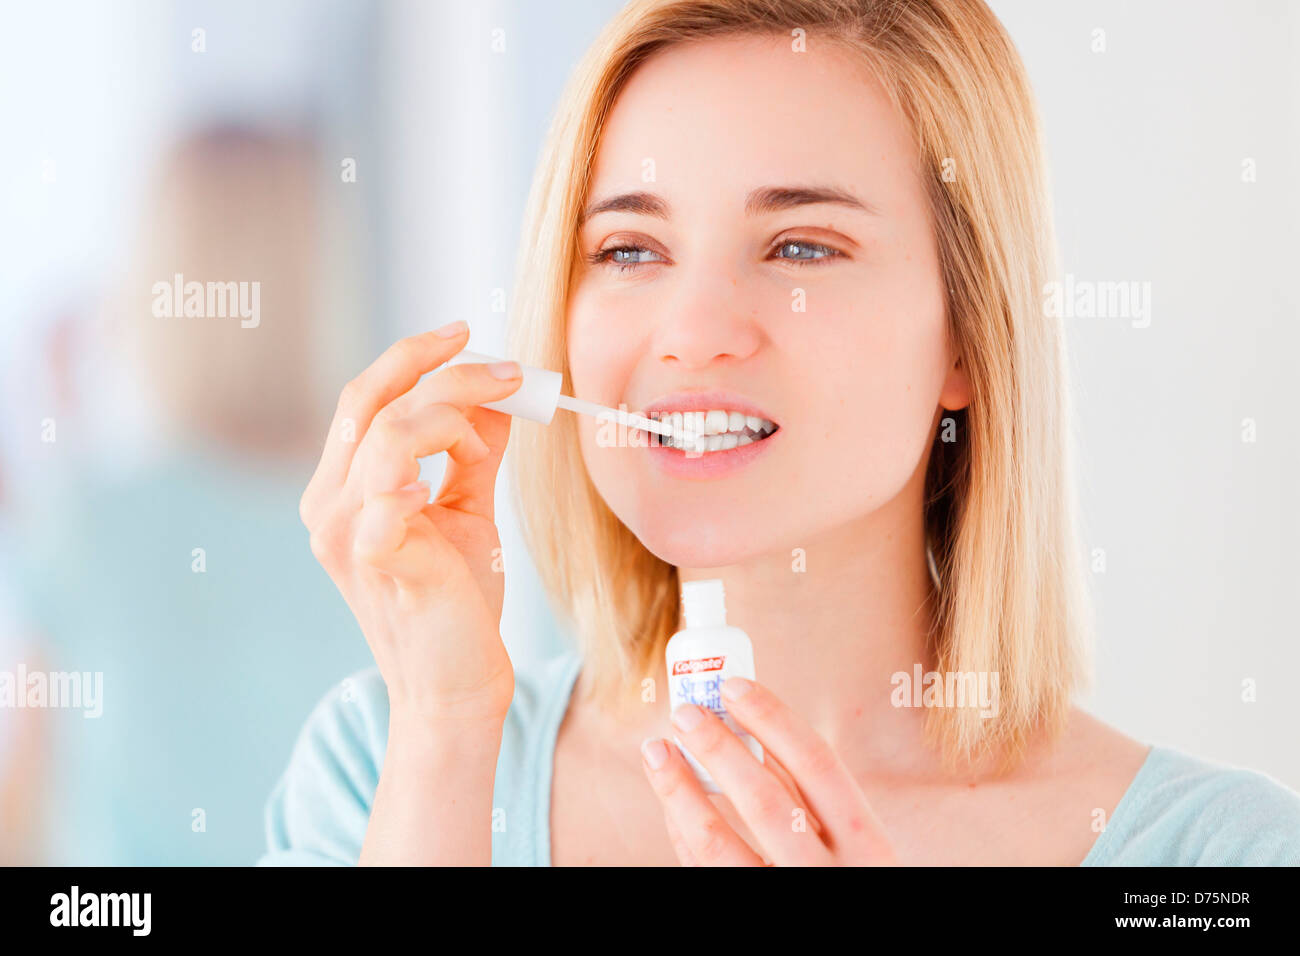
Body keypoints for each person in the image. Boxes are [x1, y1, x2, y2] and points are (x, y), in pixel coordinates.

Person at [261, 0, 1300, 866]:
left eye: (801, 244)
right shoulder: (383, 766)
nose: (693, 333)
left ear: (967, 342)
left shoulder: (1213, 861)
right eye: (628, 249)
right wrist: (443, 737)